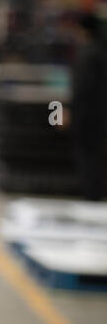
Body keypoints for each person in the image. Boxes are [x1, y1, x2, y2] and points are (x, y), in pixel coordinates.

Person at [69, 13, 106, 201]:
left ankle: (91, 196)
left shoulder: (86, 55)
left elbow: (81, 90)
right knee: (95, 156)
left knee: (88, 157)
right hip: (99, 116)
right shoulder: (100, 52)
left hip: (86, 117)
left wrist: (68, 113)